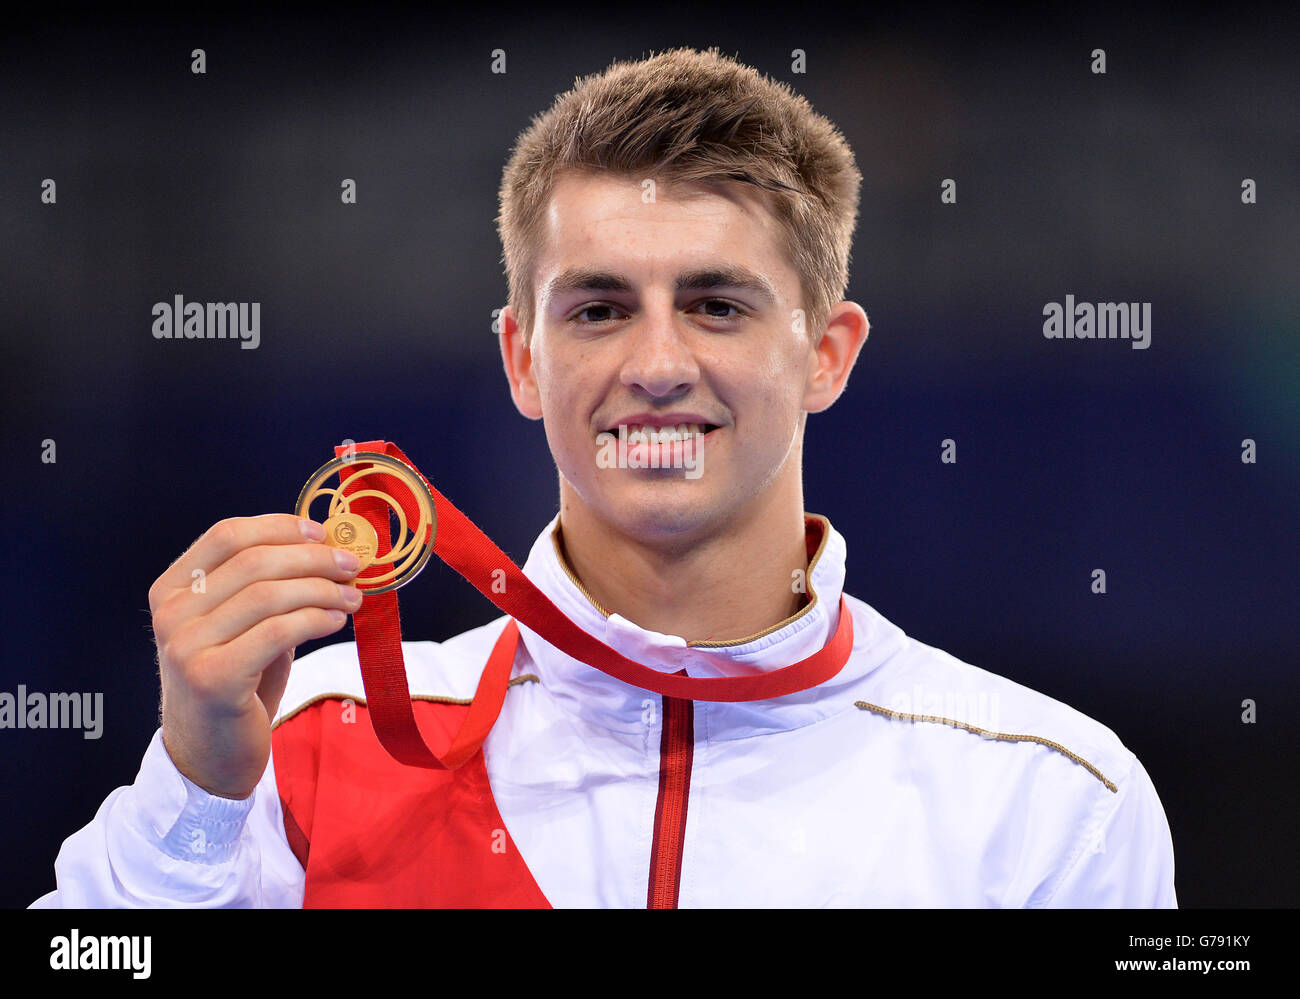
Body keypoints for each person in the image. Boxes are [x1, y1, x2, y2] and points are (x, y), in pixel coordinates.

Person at [33, 46, 1176, 908]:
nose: (659, 366)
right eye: (598, 309)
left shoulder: (1046, 796)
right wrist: (195, 791)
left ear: (827, 354)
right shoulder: (318, 742)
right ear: (523, 360)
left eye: (717, 305)